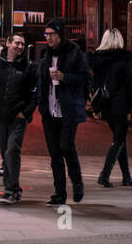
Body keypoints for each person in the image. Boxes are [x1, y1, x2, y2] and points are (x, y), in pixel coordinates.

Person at [34, 19, 91, 205]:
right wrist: (41, 106)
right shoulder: (46, 57)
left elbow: (84, 79)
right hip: (50, 112)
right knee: (55, 155)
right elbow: (41, 83)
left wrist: (64, 77)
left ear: (60, 35)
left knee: (66, 147)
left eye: (52, 34)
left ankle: (77, 183)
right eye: (46, 34)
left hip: (68, 111)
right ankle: (59, 194)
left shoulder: (75, 54)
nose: (48, 38)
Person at [0, 32, 34, 202]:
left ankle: (11, 189)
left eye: (22, 44)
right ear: (8, 43)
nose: (20, 47)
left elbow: (34, 94)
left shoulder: (28, 67)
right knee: (6, 152)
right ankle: (12, 188)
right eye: (17, 43)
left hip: (17, 117)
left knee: (12, 150)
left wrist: (25, 113)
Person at [90, 28, 132, 187]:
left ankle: (126, 177)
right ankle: (104, 175)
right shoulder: (124, 60)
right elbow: (129, 86)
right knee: (118, 140)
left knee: (120, 139)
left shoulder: (97, 60)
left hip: (105, 104)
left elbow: (95, 85)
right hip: (120, 105)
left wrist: (96, 107)